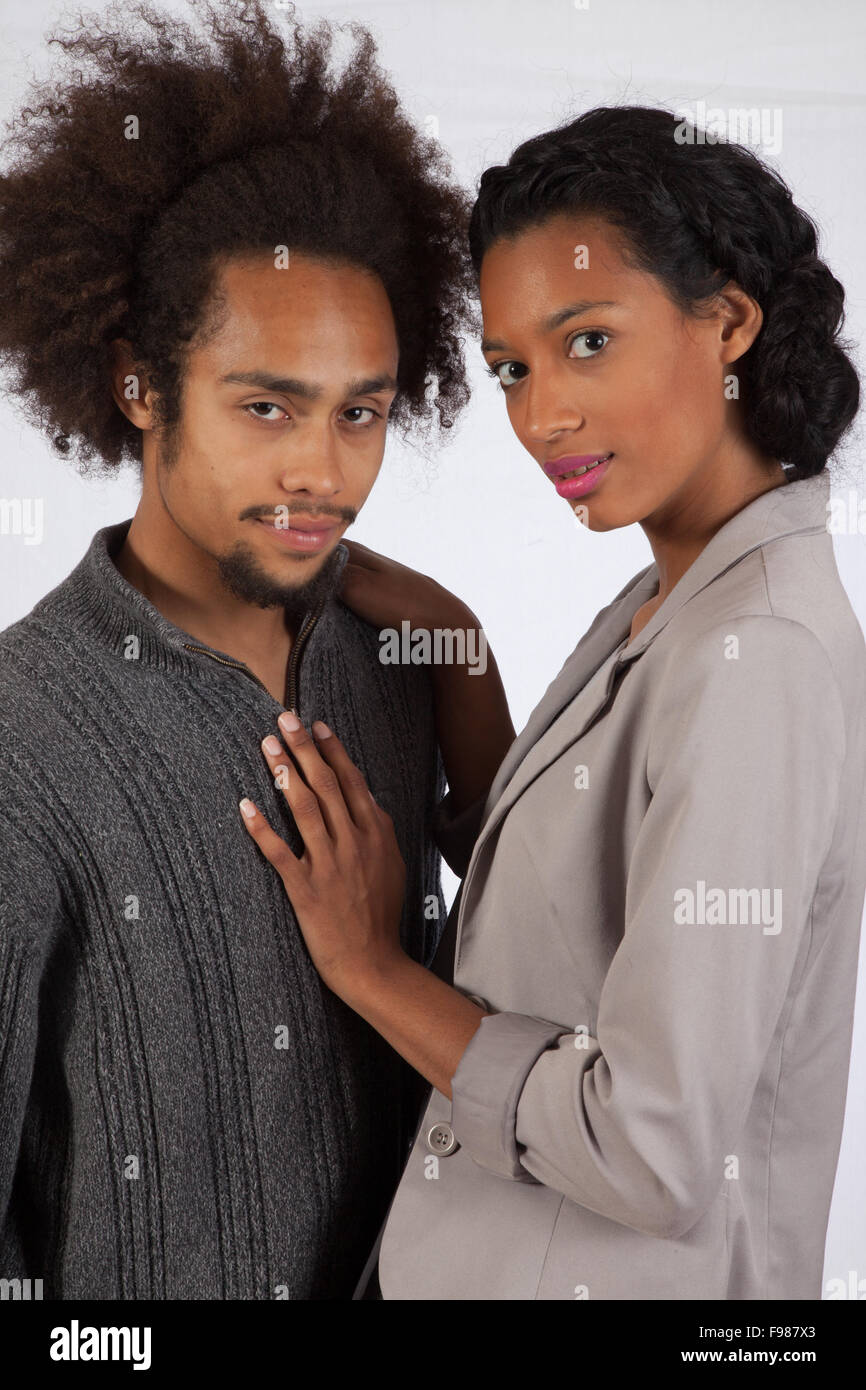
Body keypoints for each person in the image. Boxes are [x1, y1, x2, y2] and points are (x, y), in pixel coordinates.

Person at [237, 105, 866, 1299]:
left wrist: (371, 966)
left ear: (727, 318)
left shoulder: (758, 657)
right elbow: (585, 913)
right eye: (512, 368)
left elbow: (651, 1148)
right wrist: (457, 652)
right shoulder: (667, 590)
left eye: (585, 343)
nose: (540, 418)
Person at [0, 0, 515, 1299]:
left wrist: (460, 663)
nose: (319, 470)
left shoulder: (395, 662)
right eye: (266, 404)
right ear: (136, 382)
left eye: (361, 412)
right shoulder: (22, 737)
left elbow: (559, 1031)